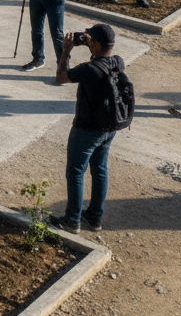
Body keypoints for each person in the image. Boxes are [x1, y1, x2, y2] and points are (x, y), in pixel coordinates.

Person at [52, 23, 129, 233]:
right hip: (109, 127)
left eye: (89, 39)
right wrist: (91, 44)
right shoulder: (118, 62)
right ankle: (94, 218)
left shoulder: (88, 69)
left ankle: (72, 220)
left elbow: (60, 76)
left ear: (94, 43)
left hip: (86, 130)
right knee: (99, 170)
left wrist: (66, 51)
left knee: (76, 172)